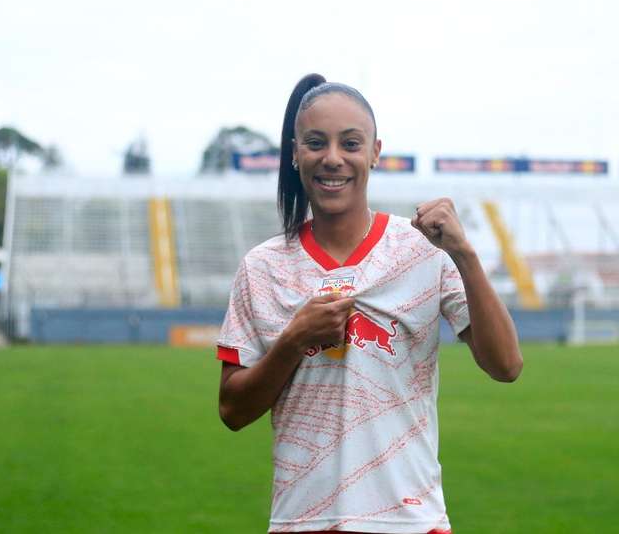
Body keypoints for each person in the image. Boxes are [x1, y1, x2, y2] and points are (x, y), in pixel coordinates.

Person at [216, 73, 523, 534]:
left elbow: (506, 365)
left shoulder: (421, 249)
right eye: (316, 143)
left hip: (410, 522)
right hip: (303, 521)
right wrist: (295, 339)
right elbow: (232, 411)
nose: (333, 159)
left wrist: (465, 255)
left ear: (375, 152)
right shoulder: (263, 267)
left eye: (351, 144)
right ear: (295, 153)